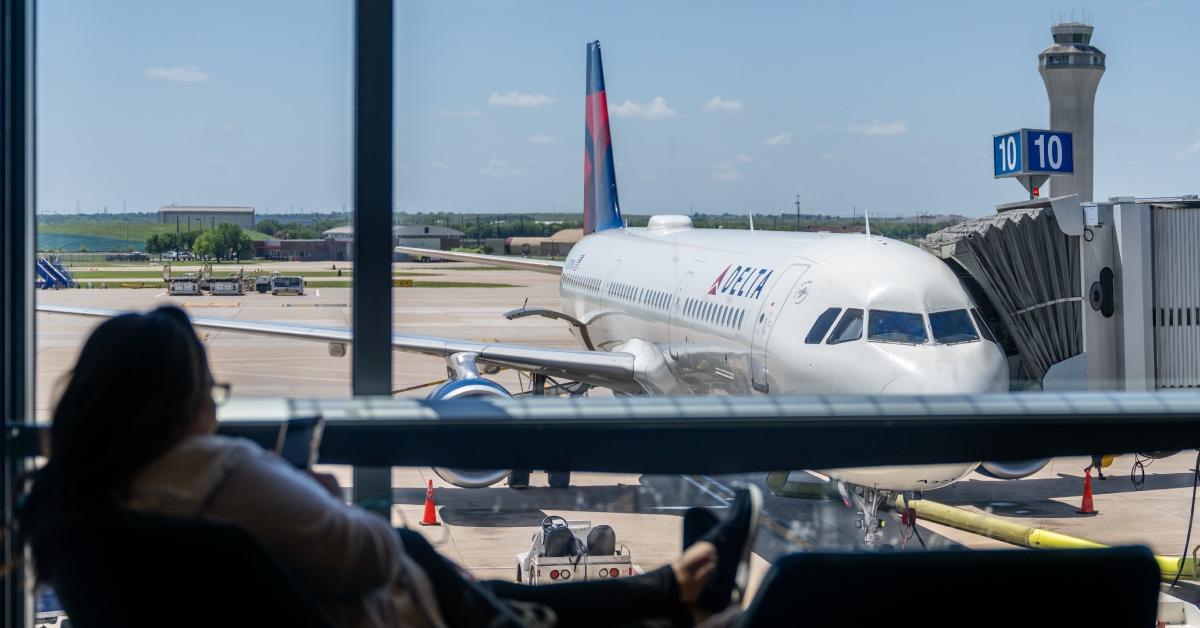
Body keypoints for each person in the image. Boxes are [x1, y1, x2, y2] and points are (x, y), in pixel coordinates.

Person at [18, 306, 761, 627]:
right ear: (181, 406)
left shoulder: (66, 506)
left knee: (493, 593)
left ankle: (676, 587)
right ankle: (679, 591)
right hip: (382, 614)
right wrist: (313, 494)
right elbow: (368, 558)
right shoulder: (219, 473)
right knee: (426, 560)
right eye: (209, 392)